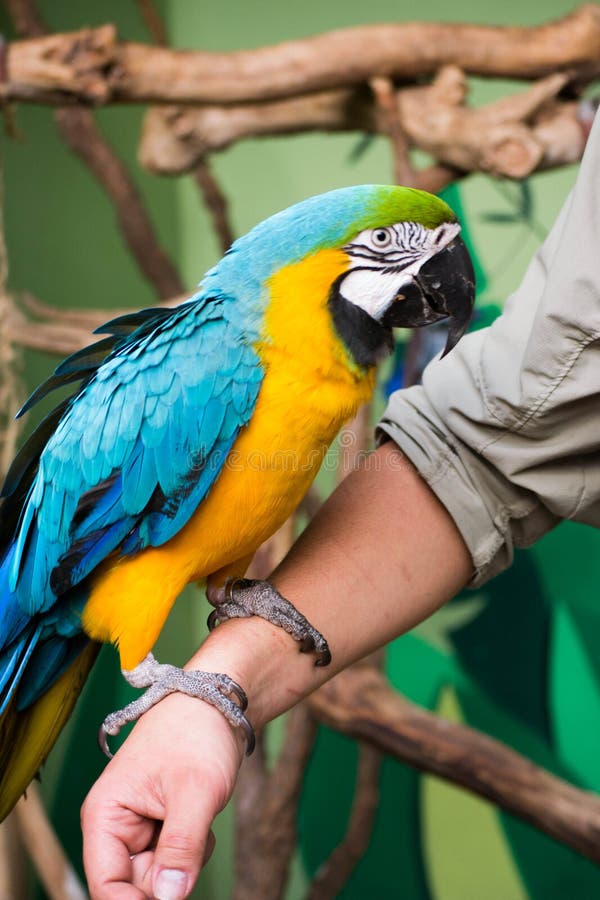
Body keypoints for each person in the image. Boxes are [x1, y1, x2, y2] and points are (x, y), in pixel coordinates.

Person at [81, 111, 600, 900]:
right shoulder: (216, 360)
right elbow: (483, 450)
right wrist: (212, 695)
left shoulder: (325, 383)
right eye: (387, 248)